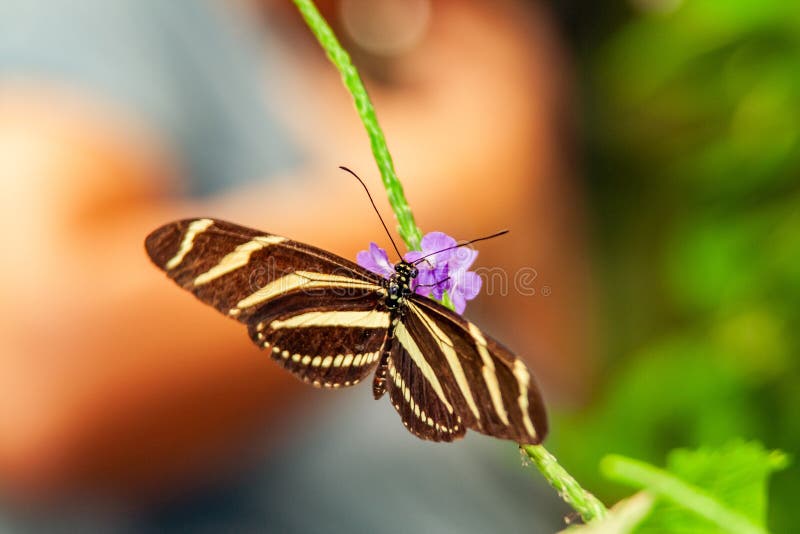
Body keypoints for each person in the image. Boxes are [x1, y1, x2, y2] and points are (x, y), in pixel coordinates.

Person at [0, 0, 592, 530]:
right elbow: (25, 370)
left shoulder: (450, 59)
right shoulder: (110, 17)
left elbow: (559, 398)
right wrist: (461, 184)